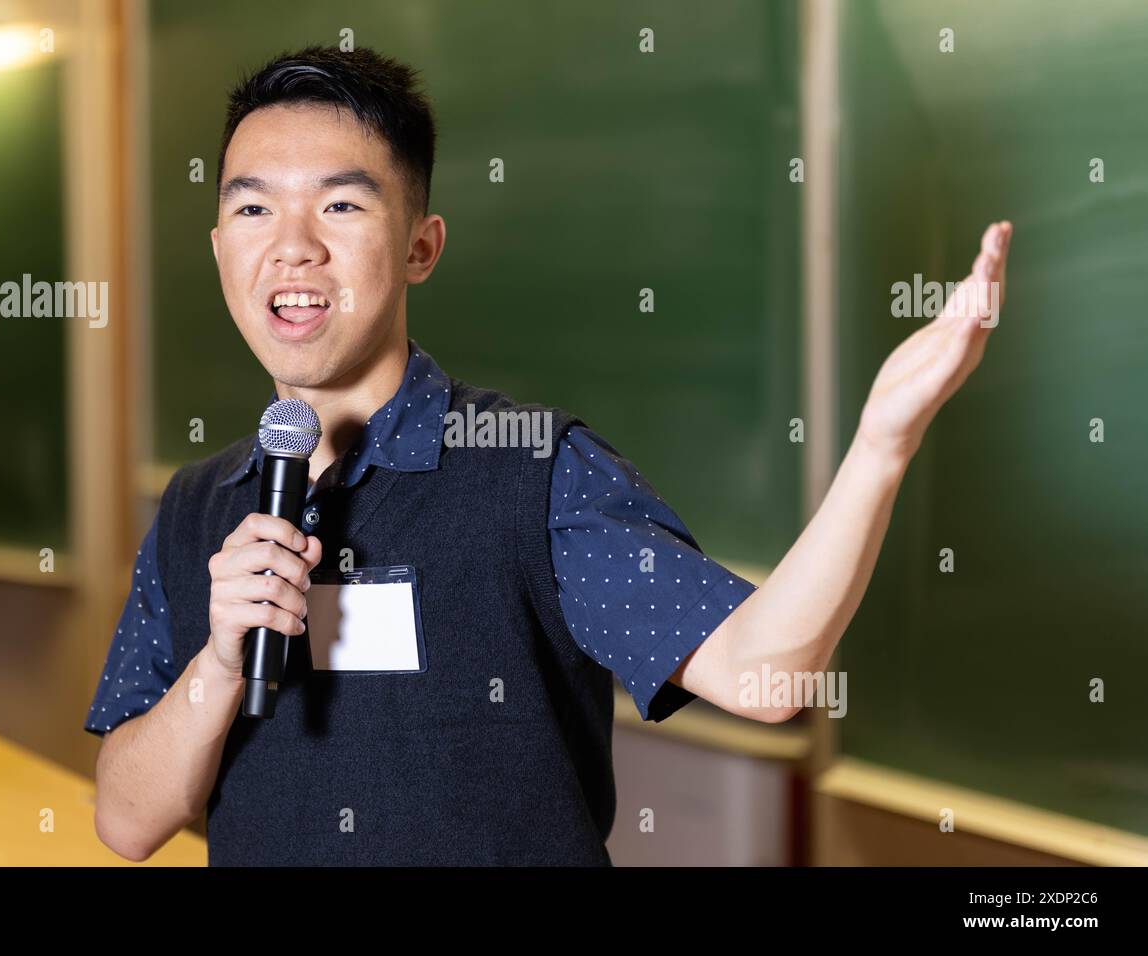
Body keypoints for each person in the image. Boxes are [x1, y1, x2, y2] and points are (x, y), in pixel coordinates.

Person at [86, 46, 1012, 865]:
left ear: (420, 245)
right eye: (253, 208)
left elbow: (762, 673)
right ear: (218, 249)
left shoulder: (531, 472)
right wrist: (215, 663)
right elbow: (127, 824)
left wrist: (882, 442)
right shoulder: (201, 508)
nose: (293, 248)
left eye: (339, 204)